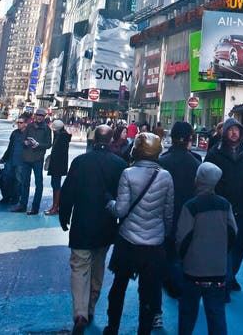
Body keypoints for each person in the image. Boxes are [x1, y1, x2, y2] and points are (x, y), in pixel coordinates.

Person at [103, 132, 174, 335]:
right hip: (154, 244)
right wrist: (164, 233)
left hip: (128, 240)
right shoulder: (166, 176)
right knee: (148, 292)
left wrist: (109, 202)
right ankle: (144, 330)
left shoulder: (128, 173)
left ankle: (112, 327)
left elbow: (121, 210)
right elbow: (168, 213)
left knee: (119, 286)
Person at [59, 124, 127, 335]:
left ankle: (79, 312)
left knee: (79, 268)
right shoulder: (119, 164)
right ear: (110, 140)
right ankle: (89, 308)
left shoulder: (80, 162)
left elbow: (68, 191)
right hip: (105, 226)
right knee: (98, 268)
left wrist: (64, 215)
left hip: (81, 224)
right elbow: (122, 198)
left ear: (93, 138)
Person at [205, 117, 243, 295]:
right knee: (225, 245)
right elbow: (206, 178)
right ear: (225, 133)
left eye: (237, 130)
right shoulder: (215, 153)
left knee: (240, 245)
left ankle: (231, 275)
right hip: (222, 207)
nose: (234, 133)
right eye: (230, 130)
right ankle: (226, 280)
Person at [176, 162, 237, 335]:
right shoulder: (225, 205)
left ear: (198, 180)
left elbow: (183, 237)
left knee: (188, 311)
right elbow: (233, 232)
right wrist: (222, 251)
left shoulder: (191, 206)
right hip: (217, 267)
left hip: (193, 268)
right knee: (216, 312)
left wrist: (183, 256)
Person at [158, 121, 202, 313]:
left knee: (166, 252)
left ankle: (168, 281)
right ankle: (177, 285)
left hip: (164, 214)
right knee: (181, 253)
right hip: (187, 214)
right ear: (189, 139)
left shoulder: (162, 161)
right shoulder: (196, 162)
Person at [12, 106, 52, 214]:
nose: (39, 118)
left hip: (38, 159)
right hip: (26, 158)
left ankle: (35, 207)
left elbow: (49, 144)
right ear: (35, 116)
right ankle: (22, 205)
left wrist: (39, 145)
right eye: (38, 115)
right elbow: (23, 139)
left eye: (41, 116)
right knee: (25, 182)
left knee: (38, 183)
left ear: (44, 117)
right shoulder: (29, 127)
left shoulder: (47, 129)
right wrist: (25, 142)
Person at [0, 115, 28, 204]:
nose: (19, 124)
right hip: (11, 159)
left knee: (18, 180)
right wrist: (4, 157)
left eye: (21, 123)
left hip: (21, 160)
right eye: (18, 122)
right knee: (4, 177)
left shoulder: (28, 134)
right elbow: (10, 146)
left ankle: (15, 198)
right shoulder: (15, 133)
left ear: (25, 124)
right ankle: (6, 196)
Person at [45, 119, 72, 215]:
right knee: (55, 185)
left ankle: (55, 207)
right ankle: (56, 206)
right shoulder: (62, 135)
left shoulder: (62, 137)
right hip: (58, 165)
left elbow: (58, 151)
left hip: (57, 165)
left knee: (56, 185)